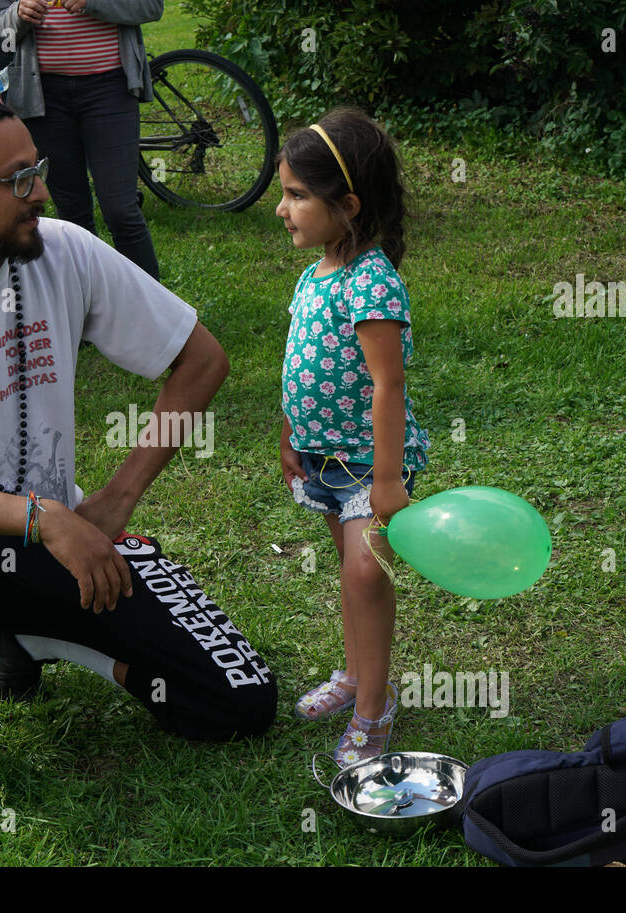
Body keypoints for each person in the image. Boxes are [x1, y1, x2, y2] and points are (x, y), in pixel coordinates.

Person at [0, 68, 274, 829]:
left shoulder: (63, 250)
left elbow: (201, 361)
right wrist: (41, 515)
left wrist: (116, 500)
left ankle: (31, 633)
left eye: (39, 168)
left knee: (236, 700)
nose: (41, 191)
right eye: (19, 178)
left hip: (57, 544)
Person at [275, 108, 429, 767]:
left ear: (349, 205)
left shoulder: (371, 282)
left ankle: (374, 708)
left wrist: (390, 478)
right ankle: (356, 671)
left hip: (371, 464)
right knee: (350, 570)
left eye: (296, 195)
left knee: (366, 572)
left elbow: (386, 385)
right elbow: (298, 360)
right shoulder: (317, 275)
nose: (282, 209)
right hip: (323, 460)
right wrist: (290, 431)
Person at [0, 0, 161, 278]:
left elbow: (151, 7)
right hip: (44, 97)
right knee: (72, 214)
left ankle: (155, 310)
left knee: (121, 211)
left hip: (110, 89)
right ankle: (90, 304)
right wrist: (18, 13)